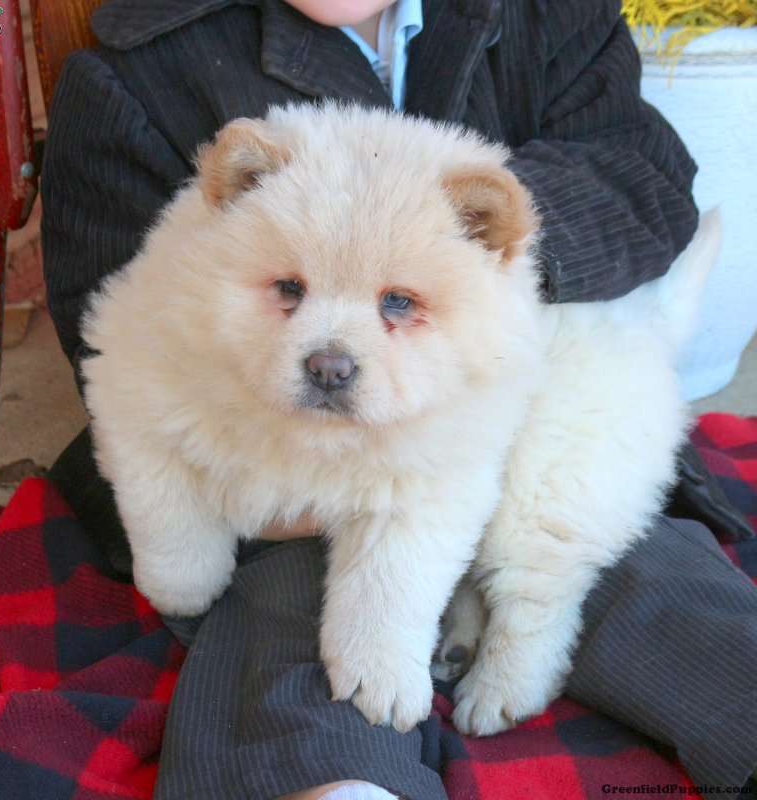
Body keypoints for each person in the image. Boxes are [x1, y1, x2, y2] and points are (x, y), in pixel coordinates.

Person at [40, 1, 757, 798]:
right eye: (289, 291)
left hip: (497, 392)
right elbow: (105, 315)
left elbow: (645, 179)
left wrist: (470, 256)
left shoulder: (550, 12)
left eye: (393, 304)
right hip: (259, 457)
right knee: (292, 624)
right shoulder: (138, 64)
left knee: (640, 570)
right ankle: (339, 782)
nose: (333, 355)